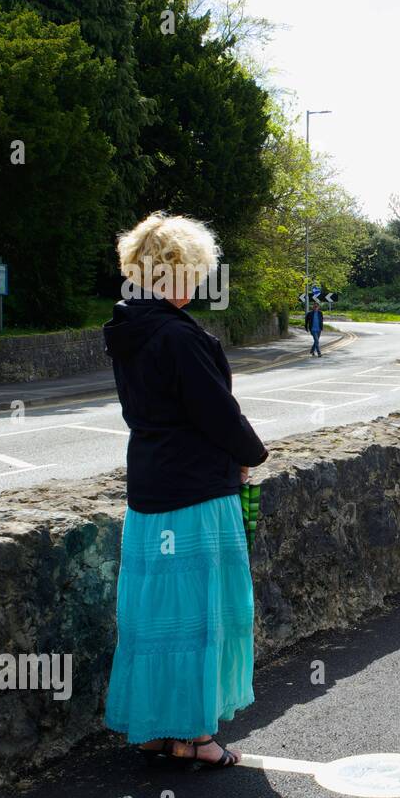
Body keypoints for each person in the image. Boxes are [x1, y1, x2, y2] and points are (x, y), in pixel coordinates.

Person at [103, 212, 269, 769]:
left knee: (155, 618)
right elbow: (214, 413)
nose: (199, 282)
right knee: (203, 615)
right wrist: (250, 456)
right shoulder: (178, 335)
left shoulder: (128, 330)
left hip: (149, 488)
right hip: (196, 492)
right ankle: (197, 738)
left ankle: (155, 730)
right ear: (173, 271)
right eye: (194, 272)